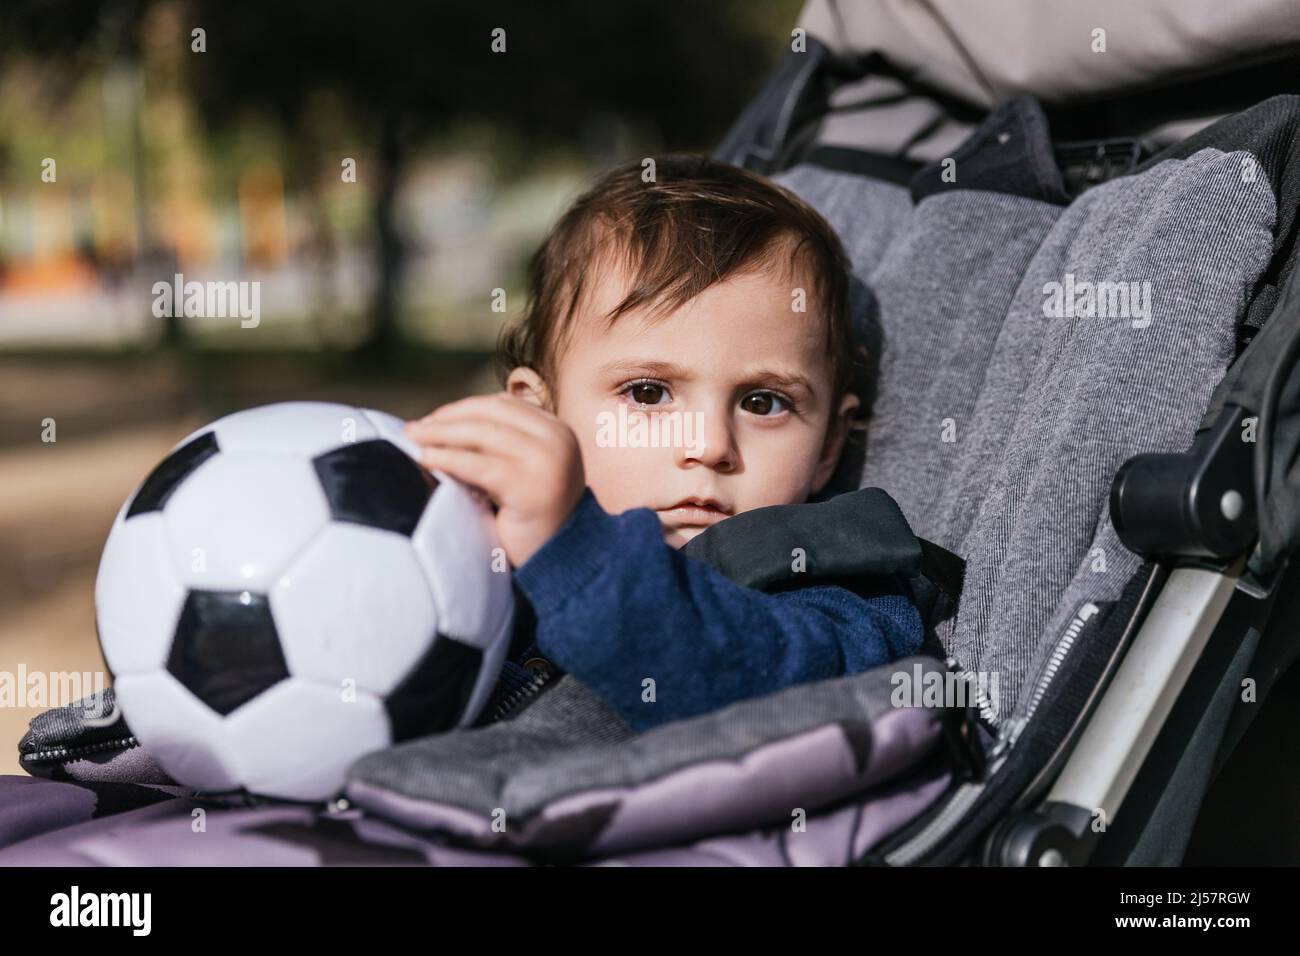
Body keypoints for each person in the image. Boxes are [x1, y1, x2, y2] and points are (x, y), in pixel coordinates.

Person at [404, 154, 922, 732]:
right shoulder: (464, 546)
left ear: (828, 446)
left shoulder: (836, 593)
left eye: (762, 403)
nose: (707, 445)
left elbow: (775, 686)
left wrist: (578, 556)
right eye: (649, 394)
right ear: (541, 413)